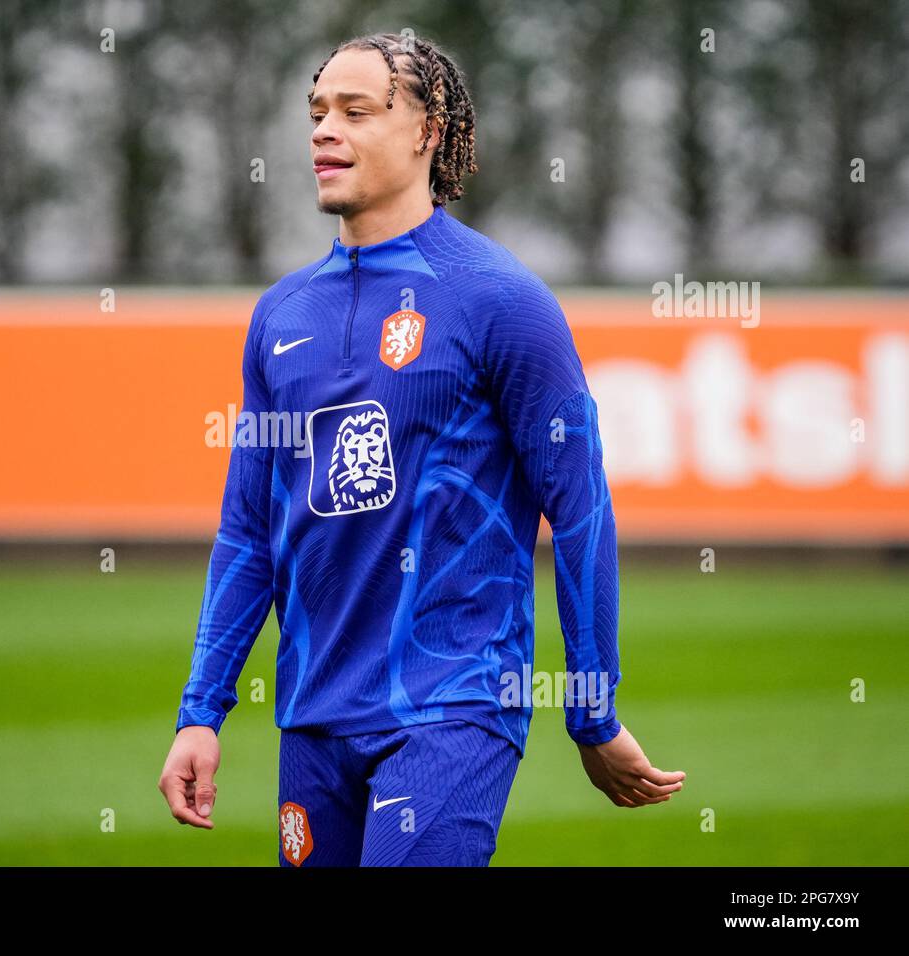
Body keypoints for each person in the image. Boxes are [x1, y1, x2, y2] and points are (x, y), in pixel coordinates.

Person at [159, 32, 685, 866]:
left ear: (427, 132)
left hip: (454, 706)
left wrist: (592, 710)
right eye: (317, 112)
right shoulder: (279, 317)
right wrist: (200, 712)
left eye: (356, 111)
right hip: (312, 718)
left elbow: (580, 509)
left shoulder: (502, 300)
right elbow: (249, 531)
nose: (324, 130)